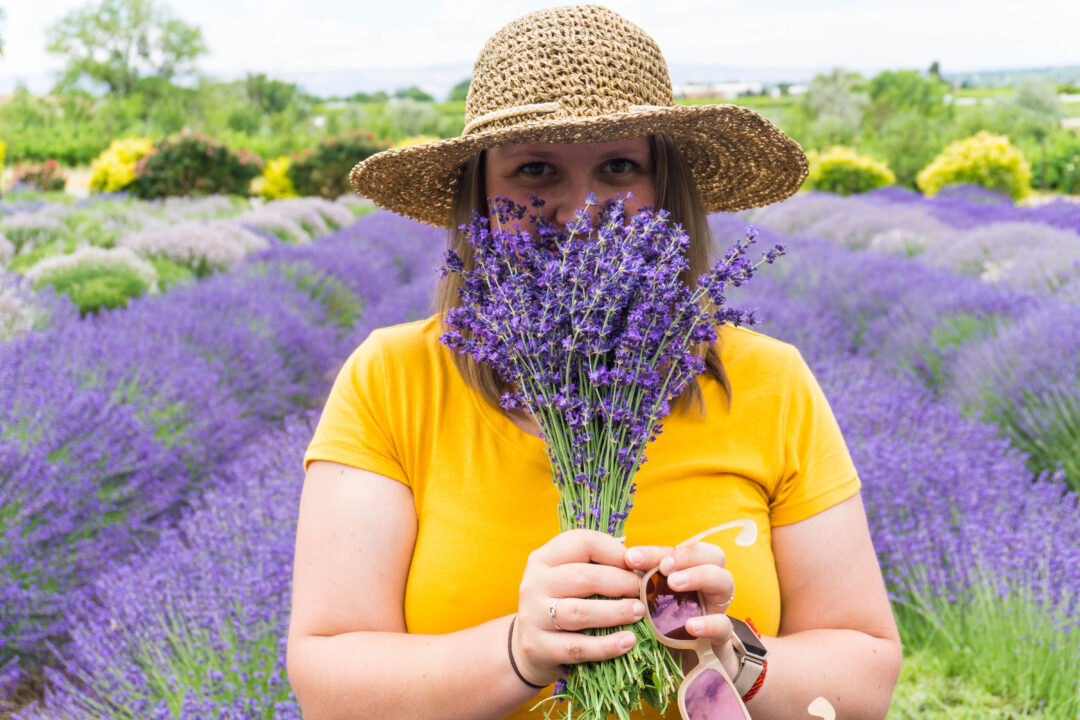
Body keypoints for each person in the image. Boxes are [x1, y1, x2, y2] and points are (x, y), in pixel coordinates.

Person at [285, 5, 901, 720]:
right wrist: (522, 650)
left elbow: (864, 682)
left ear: (667, 188)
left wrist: (729, 653)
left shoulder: (771, 382)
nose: (583, 209)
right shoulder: (394, 379)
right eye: (535, 169)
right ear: (479, 195)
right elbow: (328, 683)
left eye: (618, 167)